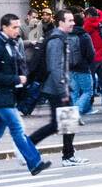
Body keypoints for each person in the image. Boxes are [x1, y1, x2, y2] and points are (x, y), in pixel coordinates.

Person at [0, 13, 51, 177]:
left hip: (6, 94)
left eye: (18, 26)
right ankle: (34, 162)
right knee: (17, 129)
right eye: (14, 27)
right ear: (4, 27)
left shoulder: (10, 44)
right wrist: (16, 79)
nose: (17, 30)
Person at [29, 9, 86, 167]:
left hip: (58, 87)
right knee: (58, 123)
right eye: (69, 21)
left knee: (67, 121)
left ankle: (68, 155)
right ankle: (27, 146)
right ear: (61, 22)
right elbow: (55, 67)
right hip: (55, 88)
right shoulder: (56, 40)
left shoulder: (61, 38)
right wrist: (63, 91)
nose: (73, 23)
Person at [82, 4, 102, 113]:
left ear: (88, 15)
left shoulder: (86, 25)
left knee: (90, 83)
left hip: (92, 58)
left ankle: (88, 106)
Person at [68, 13, 97, 119]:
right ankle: (77, 110)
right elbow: (91, 54)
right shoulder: (84, 36)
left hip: (70, 68)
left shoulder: (67, 35)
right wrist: (89, 63)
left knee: (74, 92)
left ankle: (75, 111)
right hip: (83, 68)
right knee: (88, 91)